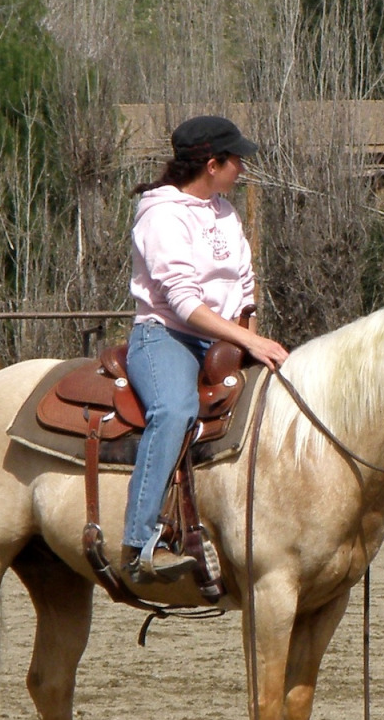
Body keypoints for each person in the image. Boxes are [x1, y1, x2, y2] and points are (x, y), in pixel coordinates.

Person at [122, 116, 290, 584]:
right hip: (167, 336)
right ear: (211, 164)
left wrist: (248, 330)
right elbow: (182, 301)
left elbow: (245, 283)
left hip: (227, 336)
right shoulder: (161, 215)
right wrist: (249, 340)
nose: (242, 167)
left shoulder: (224, 211)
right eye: (235, 159)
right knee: (174, 410)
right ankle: (140, 542)